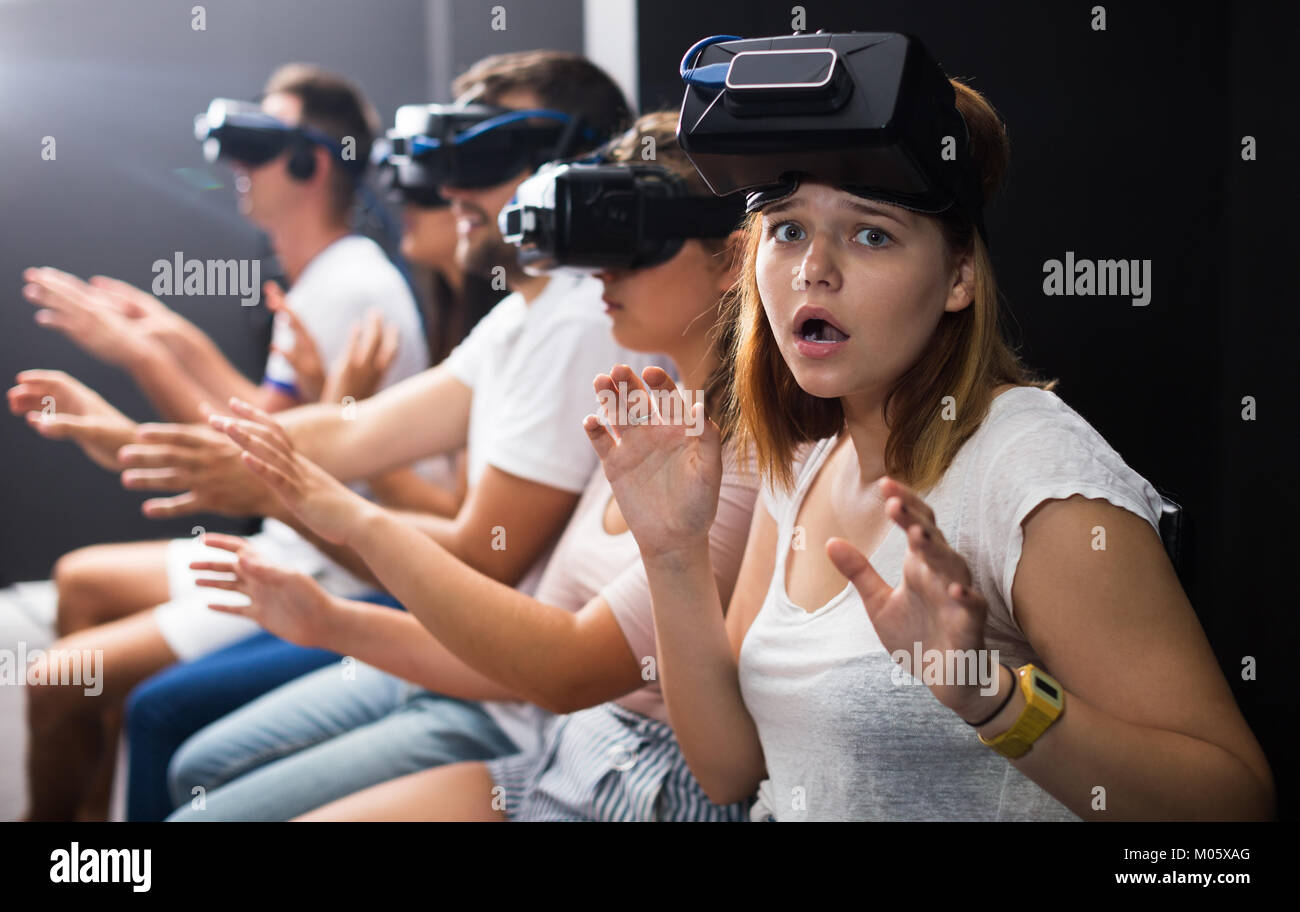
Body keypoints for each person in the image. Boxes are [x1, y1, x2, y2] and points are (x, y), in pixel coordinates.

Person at [581, 37, 1276, 821]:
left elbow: (1233, 809)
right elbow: (732, 769)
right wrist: (671, 553)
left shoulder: (1031, 467)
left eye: (871, 233)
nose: (814, 268)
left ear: (958, 279)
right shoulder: (805, 466)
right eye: (786, 229)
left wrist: (993, 699)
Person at [168, 111, 756, 822]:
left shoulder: (731, 456)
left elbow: (563, 662)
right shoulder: (652, 401)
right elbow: (358, 435)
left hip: (626, 772)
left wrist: (344, 516)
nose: (600, 267)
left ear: (731, 259)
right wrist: (327, 620)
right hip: (551, 741)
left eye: (635, 242)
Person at [115, 52, 645, 821]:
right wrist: (189, 449)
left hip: (500, 697)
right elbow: (354, 429)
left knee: (192, 782)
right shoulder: (523, 311)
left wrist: (276, 486)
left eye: (482, 156)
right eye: (445, 159)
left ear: (580, 167)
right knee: (195, 764)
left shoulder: (576, 317)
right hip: (453, 661)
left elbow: (479, 561)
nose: (450, 188)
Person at [10, 63, 436, 822]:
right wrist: (168, 336)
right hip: (296, 539)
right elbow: (270, 414)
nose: (236, 167)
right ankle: (97, 828)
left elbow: (252, 452)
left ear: (310, 161)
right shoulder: (329, 276)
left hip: (328, 563)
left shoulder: (349, 286)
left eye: (257, 144)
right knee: (83, 580)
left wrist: (143, 357)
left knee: (55, 679)